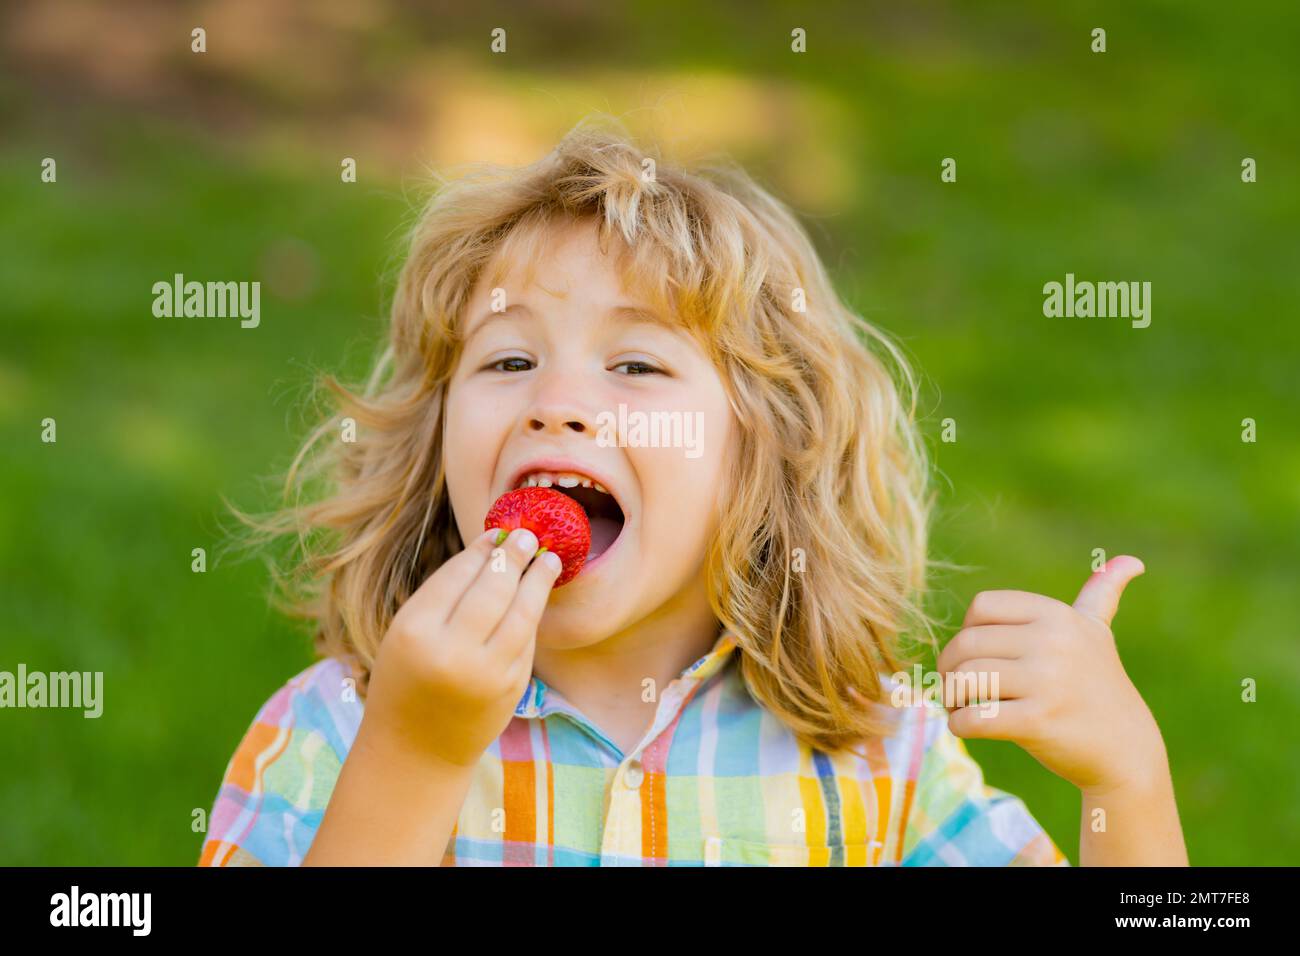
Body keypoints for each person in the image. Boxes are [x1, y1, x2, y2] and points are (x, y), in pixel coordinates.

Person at [199, 119, 1186, 866]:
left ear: (764, 454)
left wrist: (1126, 779)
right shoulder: (334, 729)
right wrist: (414, 752)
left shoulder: (879, 757)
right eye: (506, 359)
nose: (557, 403)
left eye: (634, 365)